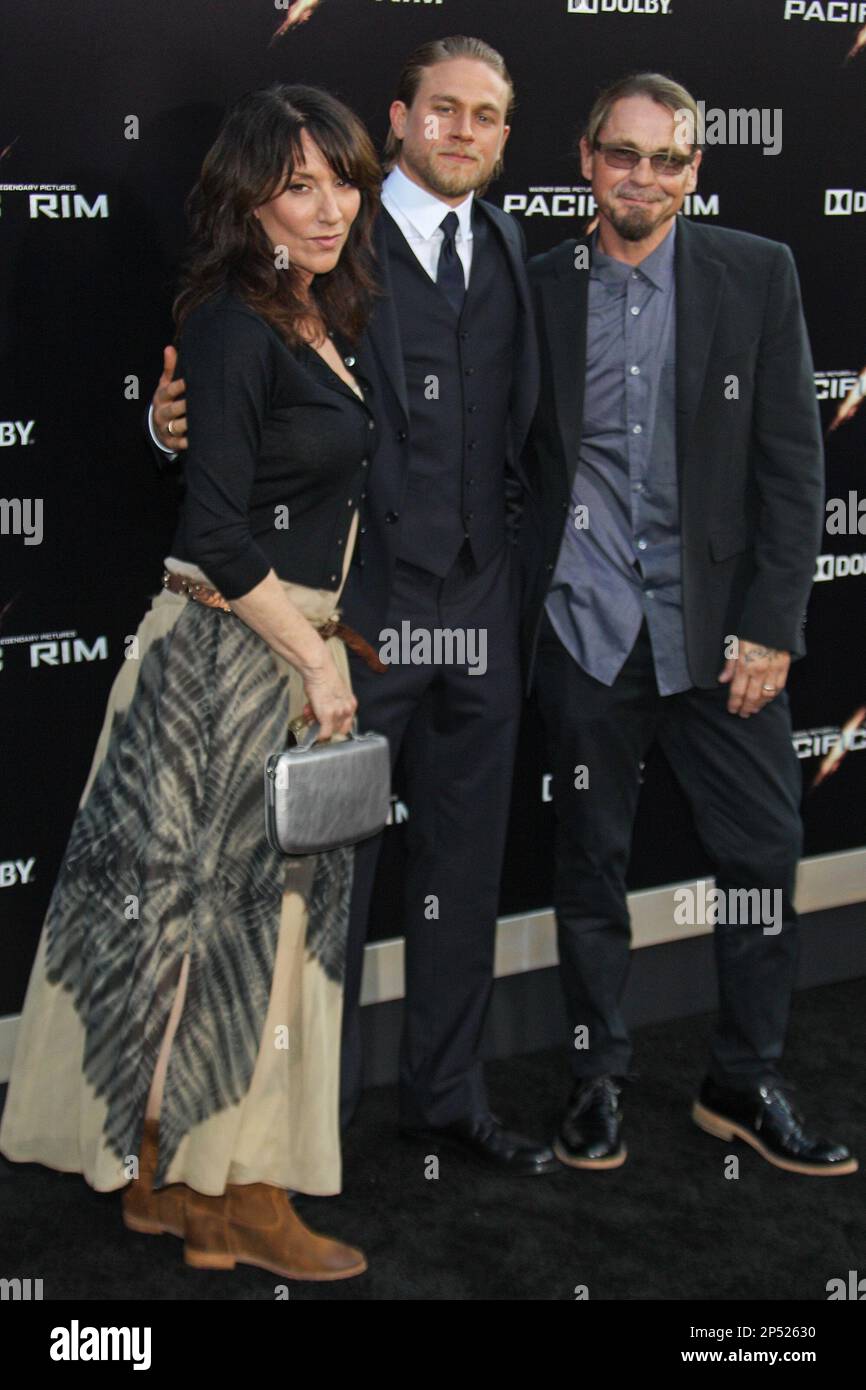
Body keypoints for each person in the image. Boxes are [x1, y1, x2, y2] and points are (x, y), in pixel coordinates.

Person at [149, 36, 557, 1176]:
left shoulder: (512, 244)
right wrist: (161, 425)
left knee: (462, 875)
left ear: (505, 136)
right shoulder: (324, 235)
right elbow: (225, 405)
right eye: (442, 111)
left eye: (486, 116)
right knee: (316, 893)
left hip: (479, 613)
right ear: (399, 117)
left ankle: (446, 1099)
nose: (462, 132)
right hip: (349, 620)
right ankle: (293, 1135)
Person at [0, 82, 386, 1279]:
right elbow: (219, 532)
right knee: (233, 945)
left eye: (344, 179)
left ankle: (172, 1178)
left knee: (221, 937)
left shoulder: (306, 315)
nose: (331, 207)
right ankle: (240, 1194)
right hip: (233, 661)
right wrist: (316, 655)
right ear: (247, 196)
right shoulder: (230, 320)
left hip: (259, 649)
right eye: (300, 185)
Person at [521, 72, 858, 1177]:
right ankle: (593, 1080)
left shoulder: (754, 275)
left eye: (667, 160)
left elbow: (790, 465)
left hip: (720, 638)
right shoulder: (537, 287)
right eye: (623, 154)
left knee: (763, 851)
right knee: (588, 864)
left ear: (694, 170)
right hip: (586, 628)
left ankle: (742, 1076)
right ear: (585, 158)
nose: (643, 177)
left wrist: (770, 626)